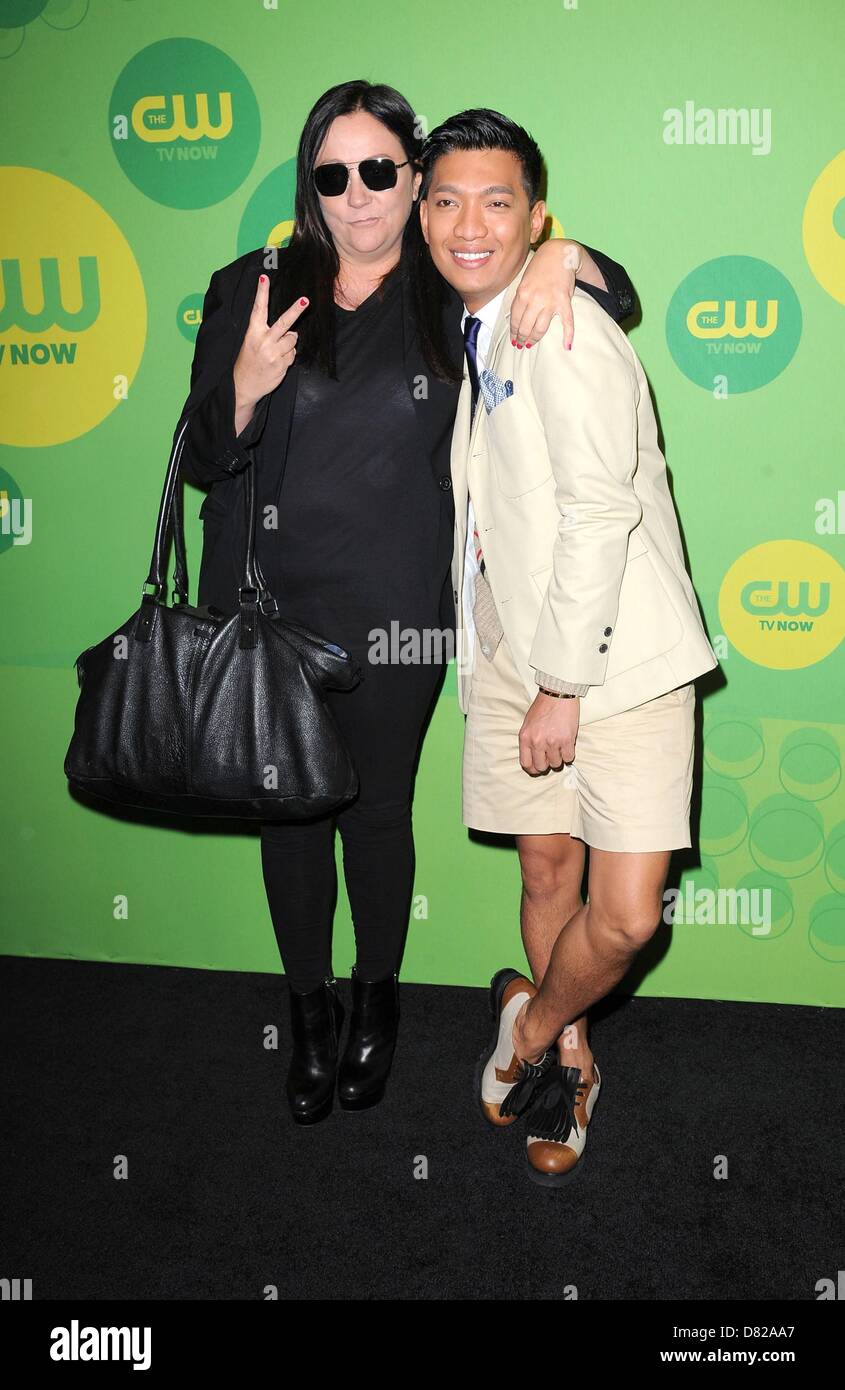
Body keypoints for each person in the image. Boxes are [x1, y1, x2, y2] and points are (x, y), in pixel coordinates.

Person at [176, 80, 636, 1127]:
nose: (355, 195)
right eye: (331, 174)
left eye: (379, 170)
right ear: (311, 182)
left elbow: (614, 298)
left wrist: (564, 255)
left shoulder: (450, 287)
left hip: (397, 616)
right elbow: (203, 457)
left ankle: (377, 995)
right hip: (264, 614)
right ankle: (308, 1011)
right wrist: (245, 382)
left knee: (375, 813)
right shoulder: (251, 286)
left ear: (414, 177)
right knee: (288, 817)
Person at [418, 108, 719, 1185]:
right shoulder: (473, 316)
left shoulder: (562, 321)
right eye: (443, 199)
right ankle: (568, 1064)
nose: (467, 222)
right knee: (547, 867)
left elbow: (600, 512)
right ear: (418, 214)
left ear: (535, 216)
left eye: (496, 202)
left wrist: (560, 684)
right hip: (508, 648)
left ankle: (532, 1031)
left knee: (626, 912)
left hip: (609, 662)